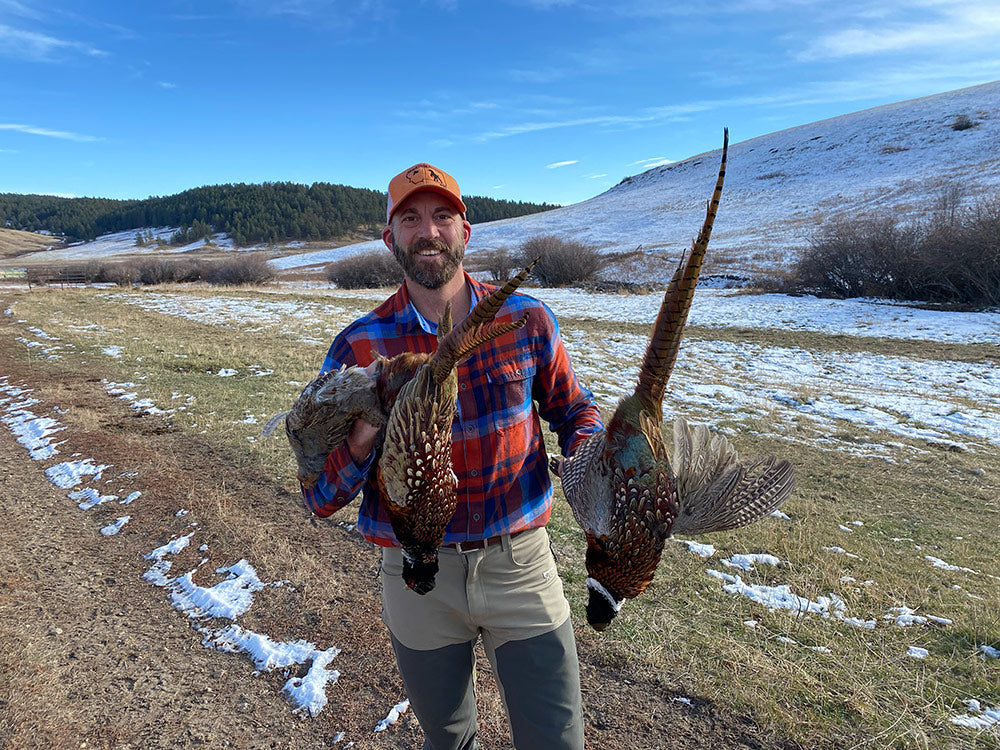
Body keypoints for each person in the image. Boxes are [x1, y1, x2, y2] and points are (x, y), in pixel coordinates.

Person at [300, 162, 603, 750]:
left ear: (467, 229)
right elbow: (321, 495)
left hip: (519, 565)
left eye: (442, 215)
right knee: (449, 740)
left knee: (557, 740)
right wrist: (366, 433)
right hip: (416, 581)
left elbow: (575, 412)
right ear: (390, 239)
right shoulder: (360, 347)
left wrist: (593, 464)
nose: (428, 230)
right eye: (410, 219)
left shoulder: (526, 319)